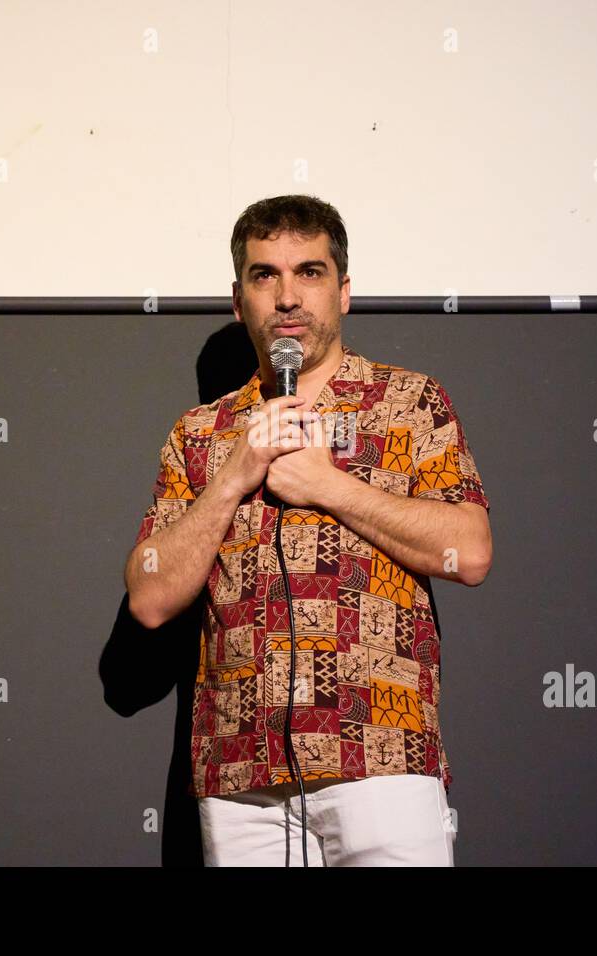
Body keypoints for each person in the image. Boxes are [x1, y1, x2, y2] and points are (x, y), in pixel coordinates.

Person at [124, 195, 492, 866]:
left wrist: (329, 486)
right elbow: (149, 598)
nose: (288, 295)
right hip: (241, 777)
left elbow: (469, 553)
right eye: (265, 275)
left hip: (381, 756)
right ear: (240, 301)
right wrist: (234, 477)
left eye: (310, 273)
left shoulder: (408, 402)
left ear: (344, 291)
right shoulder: (201, 433)